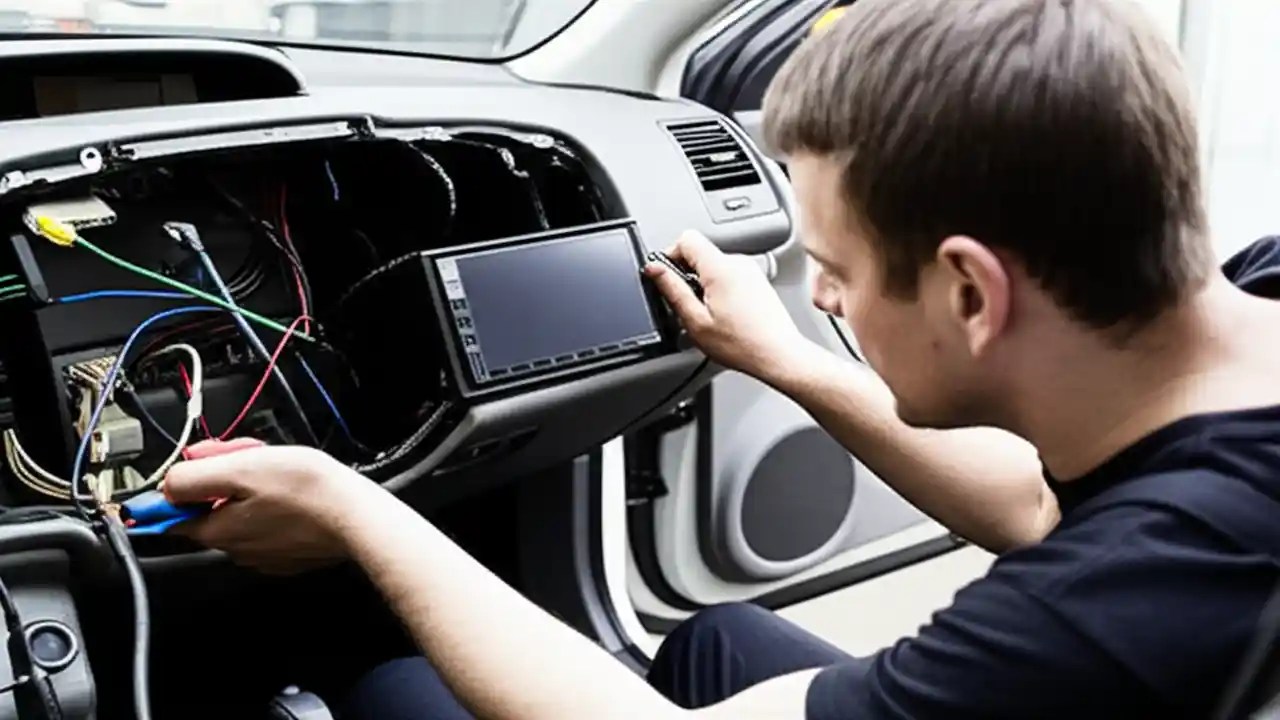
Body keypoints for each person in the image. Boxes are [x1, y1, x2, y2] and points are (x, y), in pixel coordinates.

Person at [164, 0, 1280, 717]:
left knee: (400, 692)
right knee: (713, 643)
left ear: (967, 291)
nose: (823, 292)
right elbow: (1037, 508)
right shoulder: (1244, 317)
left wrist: (353, 510)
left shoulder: (1117, 608)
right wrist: (785, 358)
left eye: (832, 266)